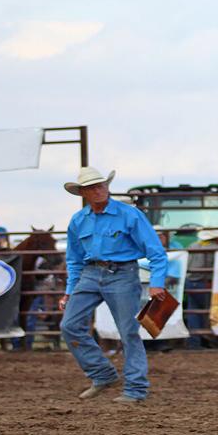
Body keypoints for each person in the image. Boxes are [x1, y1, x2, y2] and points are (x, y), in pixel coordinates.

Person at [59, 167, 168, 404]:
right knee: (69, 325)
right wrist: (69, 290)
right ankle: (102, 374)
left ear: (107, 187)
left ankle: (136, 388)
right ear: (83, 193)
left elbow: (156, 252)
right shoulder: (78, 220)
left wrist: (157, 283)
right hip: (89, 274)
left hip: (123, 273)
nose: (98, 190)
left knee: (128, 332)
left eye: (101, 185)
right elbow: (74, 259)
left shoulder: (129, 214)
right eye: (92, 187)